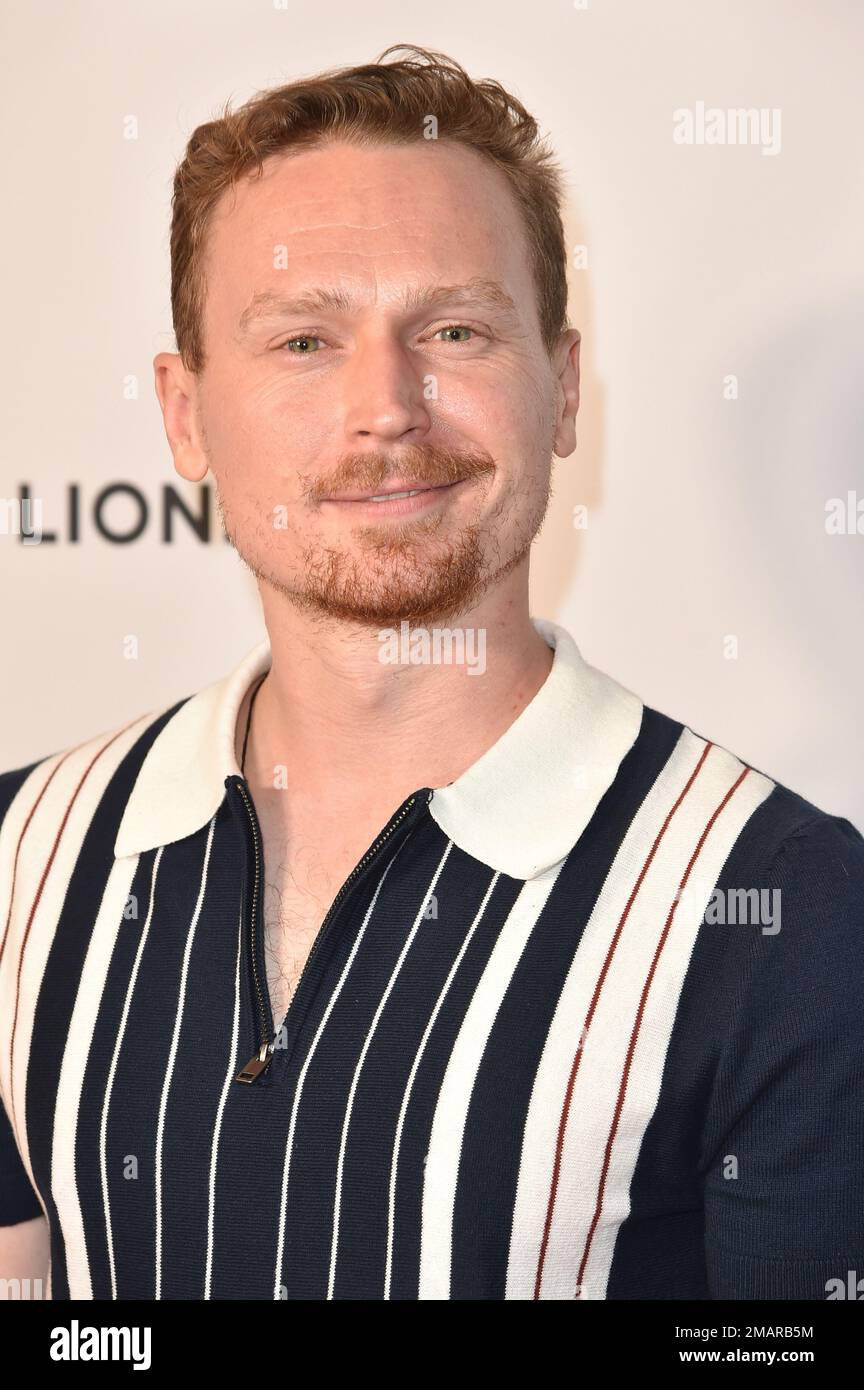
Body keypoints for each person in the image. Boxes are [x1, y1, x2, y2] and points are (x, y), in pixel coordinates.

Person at [1, 44, 862, 1302]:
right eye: (303, 340)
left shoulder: (783, 909)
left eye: (453, 328)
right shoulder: (19, 851)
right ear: (184, 415)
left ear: (561, 392)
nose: (386, 405)